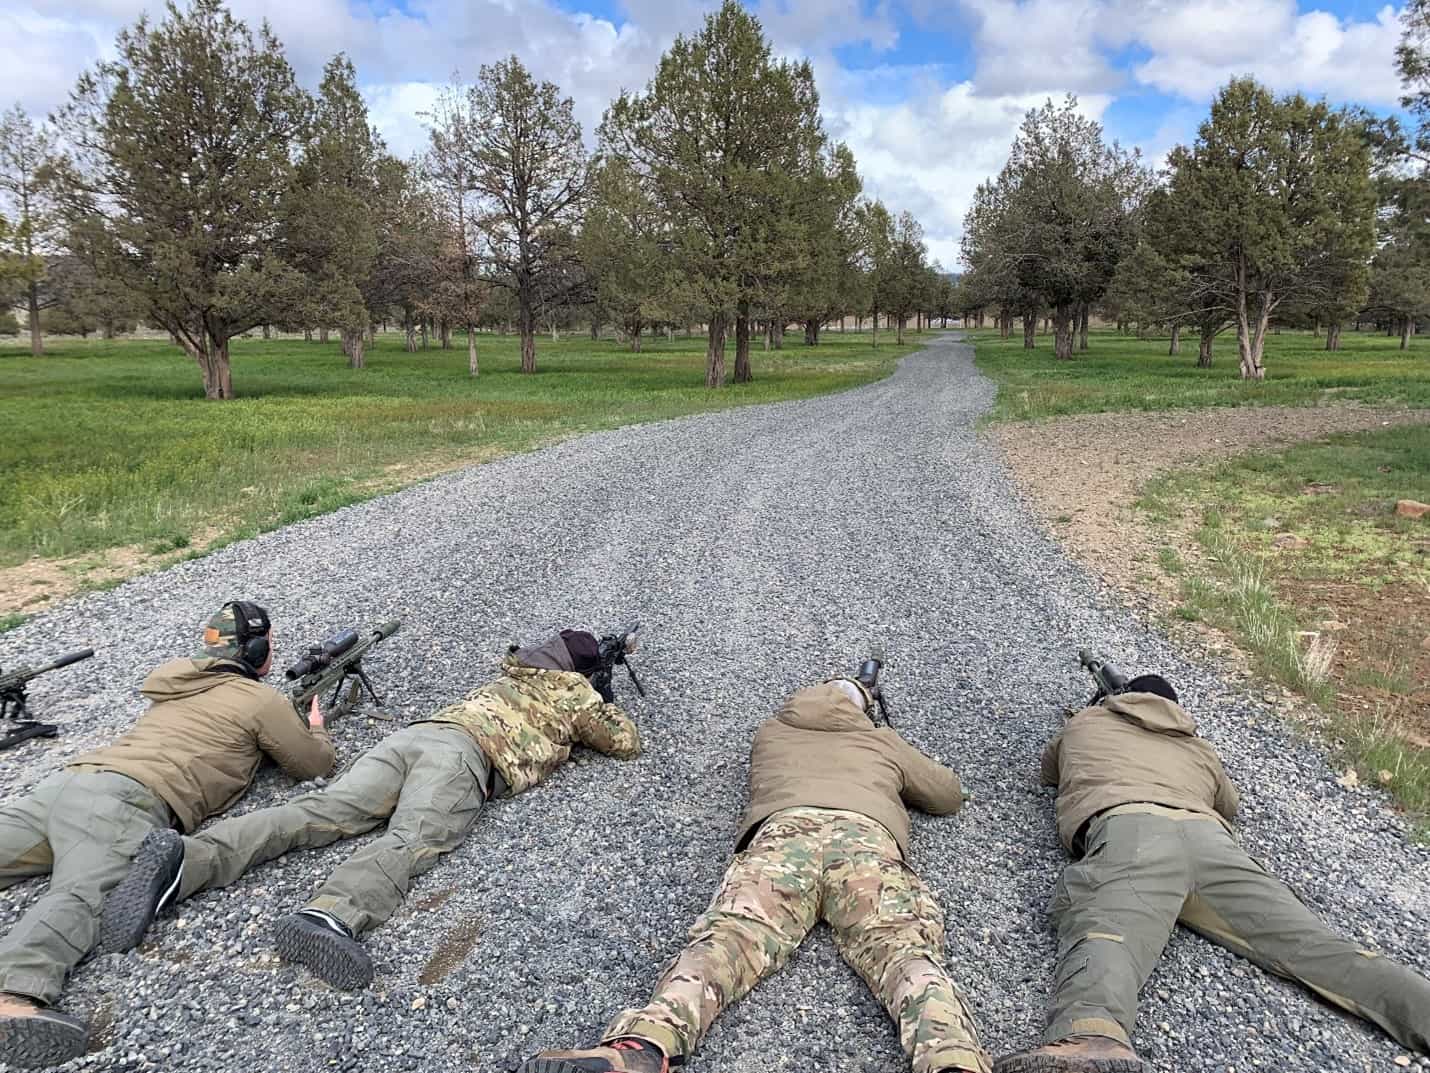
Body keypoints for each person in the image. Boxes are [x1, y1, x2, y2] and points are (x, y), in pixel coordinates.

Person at [101, 628, 641, 992]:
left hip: (413, 739)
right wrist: (602, 695)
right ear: (580, 672)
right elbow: (624, 742)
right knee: (410, 840)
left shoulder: (511, 674)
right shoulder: (575, 695)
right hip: (465, 758)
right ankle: (331, 914)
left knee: (320, 809)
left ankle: (187, 860)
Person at [518, 674, 990, 1073]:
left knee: (729, 939)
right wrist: (890, 741)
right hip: (864, 839)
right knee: (901, 949)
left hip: (783, 837)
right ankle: (951, 1059)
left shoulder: (772, 732)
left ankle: (642, 1046)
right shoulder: (879, 740)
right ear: (862, 710)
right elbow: (947, 796)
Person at [995, 673, 1430, 1073]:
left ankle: (1091, 1037)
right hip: (1209, 837)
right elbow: (1230, 806)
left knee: (1108, 929)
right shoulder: (1198, 747)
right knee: (1312, 944)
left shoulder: (1087, 722)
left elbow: (1049, 771)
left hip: (1131, 827)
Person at [0, 601, 332, 1069]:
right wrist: (317, 729)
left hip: (69, 782)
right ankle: (12, 990)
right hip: (130, 798)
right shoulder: (259, 699)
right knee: (86, 889)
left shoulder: (173, 686)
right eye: (270, 643)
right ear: (257, 649)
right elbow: (312, 765)